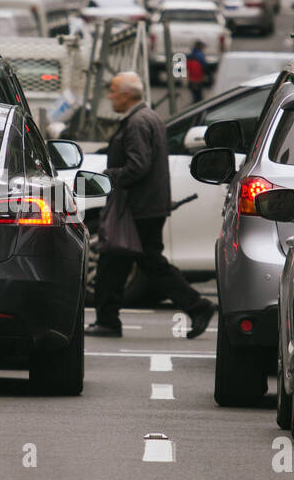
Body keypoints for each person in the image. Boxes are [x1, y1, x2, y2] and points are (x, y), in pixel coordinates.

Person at [87, 72, 216, 339]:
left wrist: (109, 176)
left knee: (117, 261)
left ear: (126, 94)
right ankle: (194, 306)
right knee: (139, 262)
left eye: (113, 91)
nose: (110, 96)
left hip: (136, 209)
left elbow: (138, 166)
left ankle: (110, 320)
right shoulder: (149, 117)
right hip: (146, 207)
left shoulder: (136, 123)